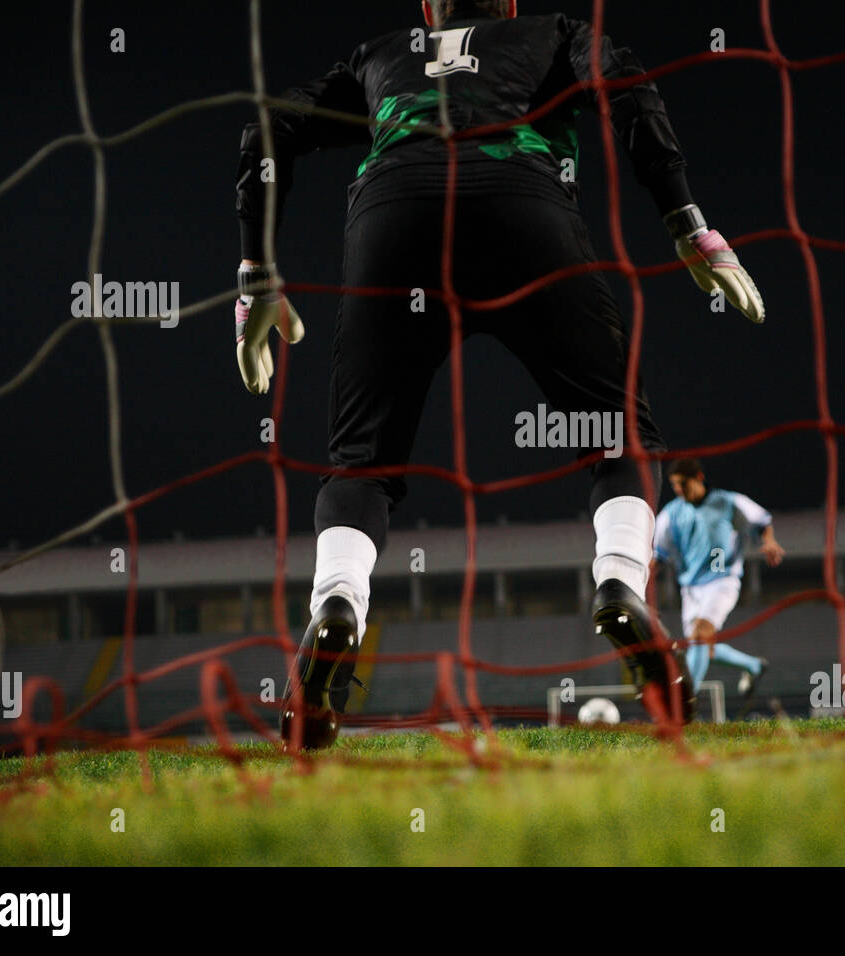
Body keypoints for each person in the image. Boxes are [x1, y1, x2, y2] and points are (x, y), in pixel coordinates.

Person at [233, 0, 765, 748]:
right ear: (510, 4)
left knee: (362, 460)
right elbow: (626, 83)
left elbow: (267, 128)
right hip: (522, 204)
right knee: (622, 439)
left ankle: (339, 603)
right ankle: (618, 580)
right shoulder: (551, 33)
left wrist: (257, 272)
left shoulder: (379, 52)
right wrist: (686, 221)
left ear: (427, 9)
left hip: (394, 216)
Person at [653, 459, 784, 705]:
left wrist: (769, 541)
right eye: (675, 485)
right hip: (690, 589)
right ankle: (754, 666)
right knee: (701, 648)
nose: (679, 490)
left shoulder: (728, 502)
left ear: (699, 477)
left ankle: (685, 702)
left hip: (722, 581)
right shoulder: (671, 514)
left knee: (700, 637)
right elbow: (657, 556)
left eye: (683, 484)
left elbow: (762, 520)